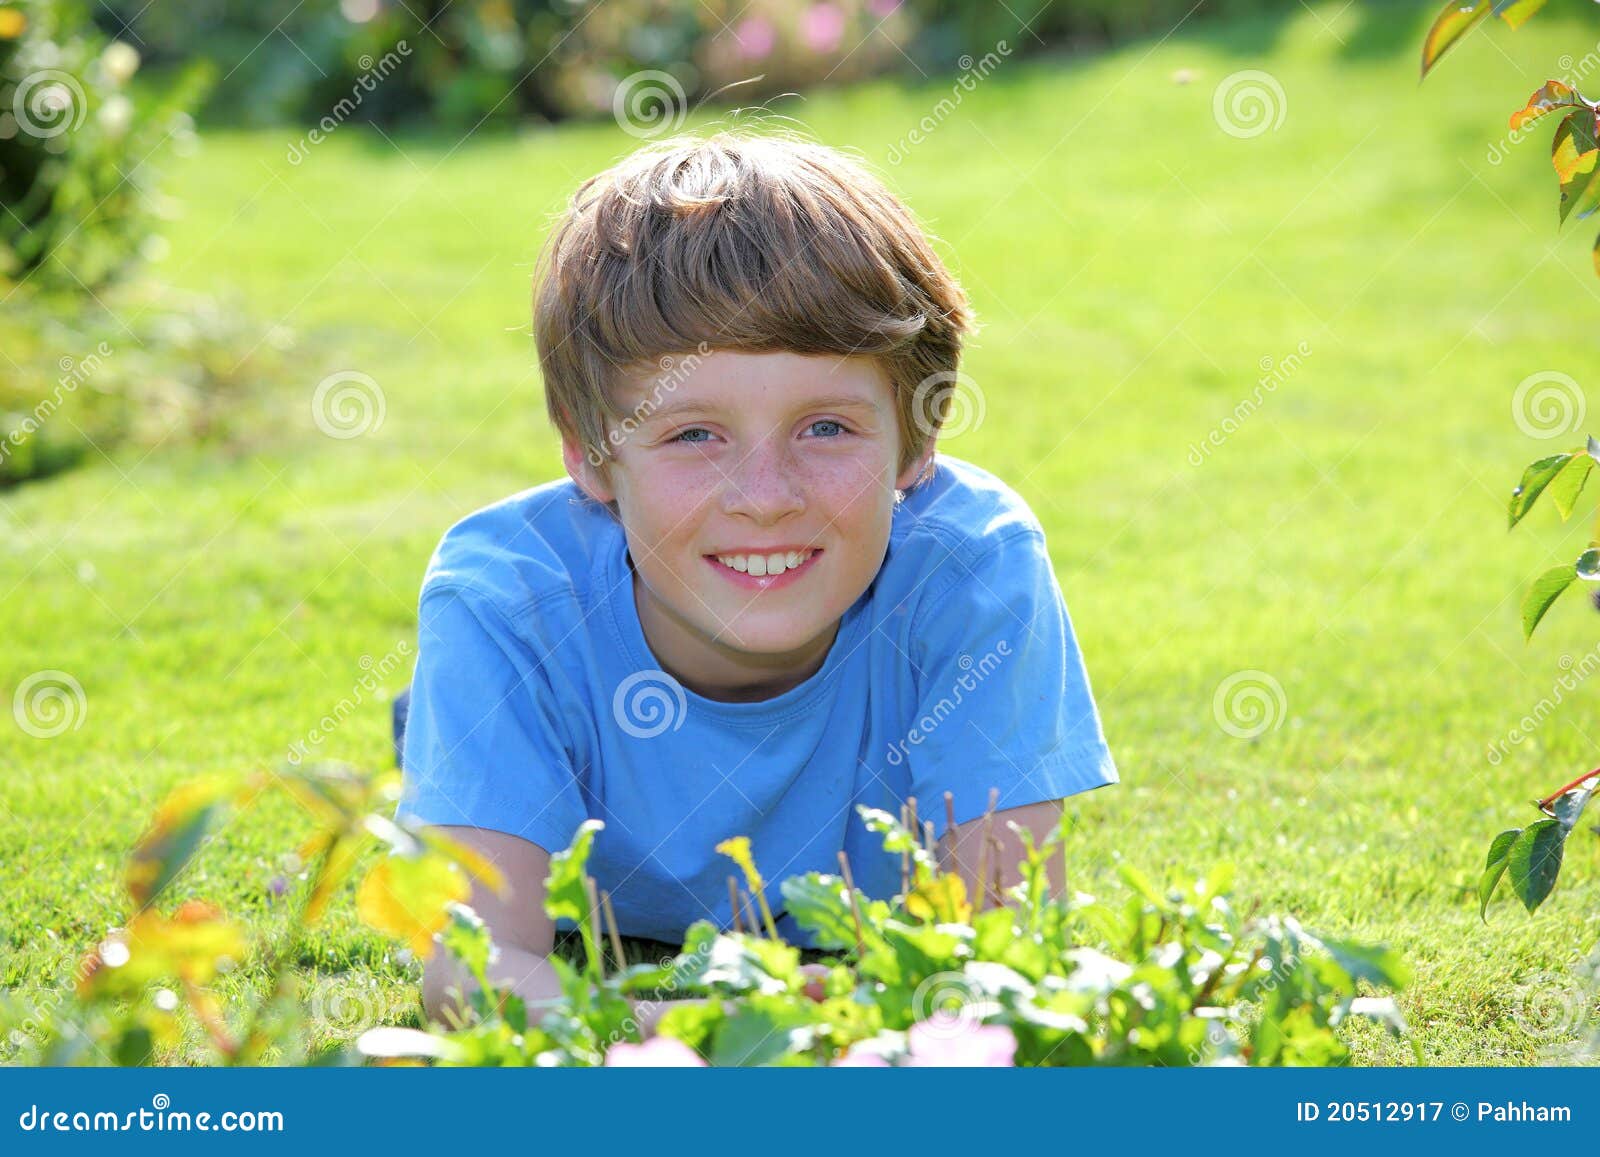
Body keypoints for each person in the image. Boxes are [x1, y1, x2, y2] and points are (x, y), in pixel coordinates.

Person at [393, 129, 1119, 1031]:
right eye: (695, 435)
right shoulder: (505, 603)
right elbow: (473, 974)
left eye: (826, 429)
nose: (766, 499)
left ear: (917, 440)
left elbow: (1009, 955)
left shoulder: (973, 572)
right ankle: (443, 767)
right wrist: (706, 1037)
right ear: (589, 453)